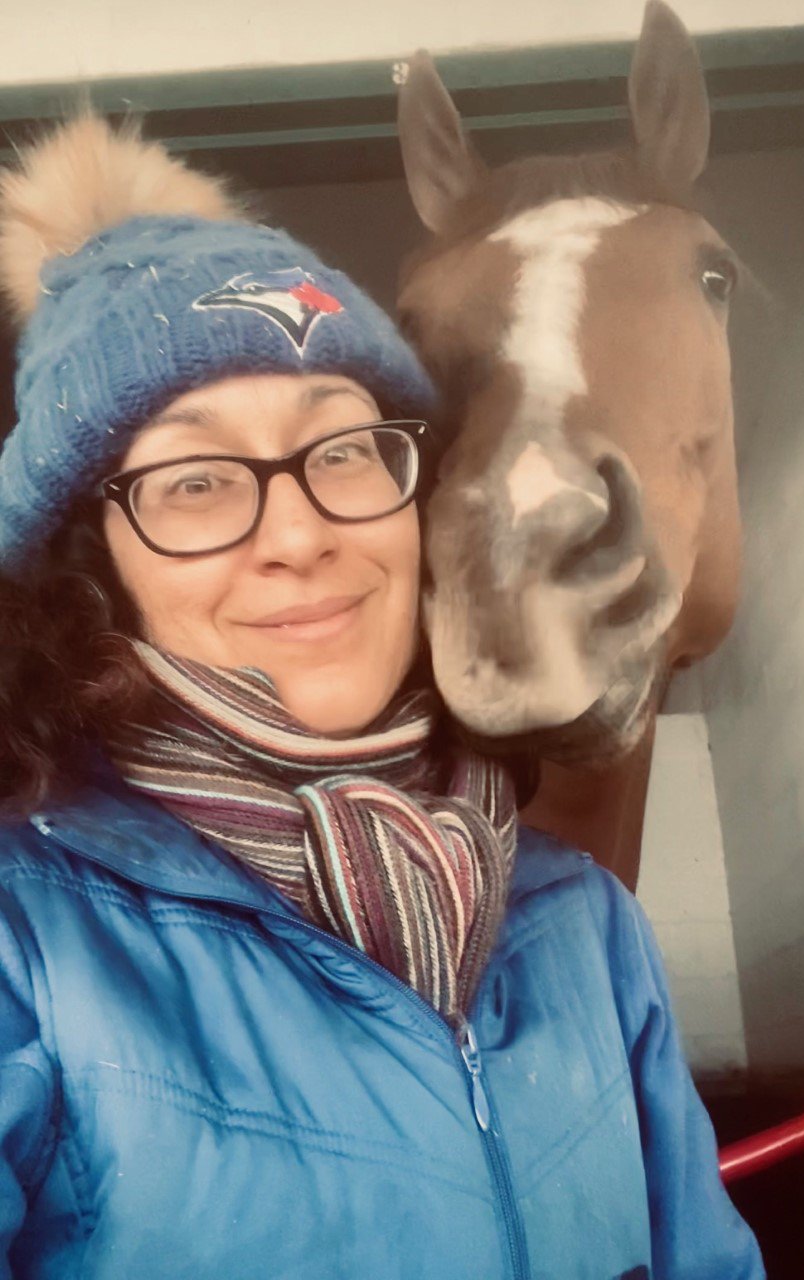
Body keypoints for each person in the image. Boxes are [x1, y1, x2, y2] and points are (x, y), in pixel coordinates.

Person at [0, 114, 764, 1280]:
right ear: (91, 565)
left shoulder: (586, 928)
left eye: (343, 451)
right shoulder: (26, 943)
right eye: (197, 481)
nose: (300, 533)